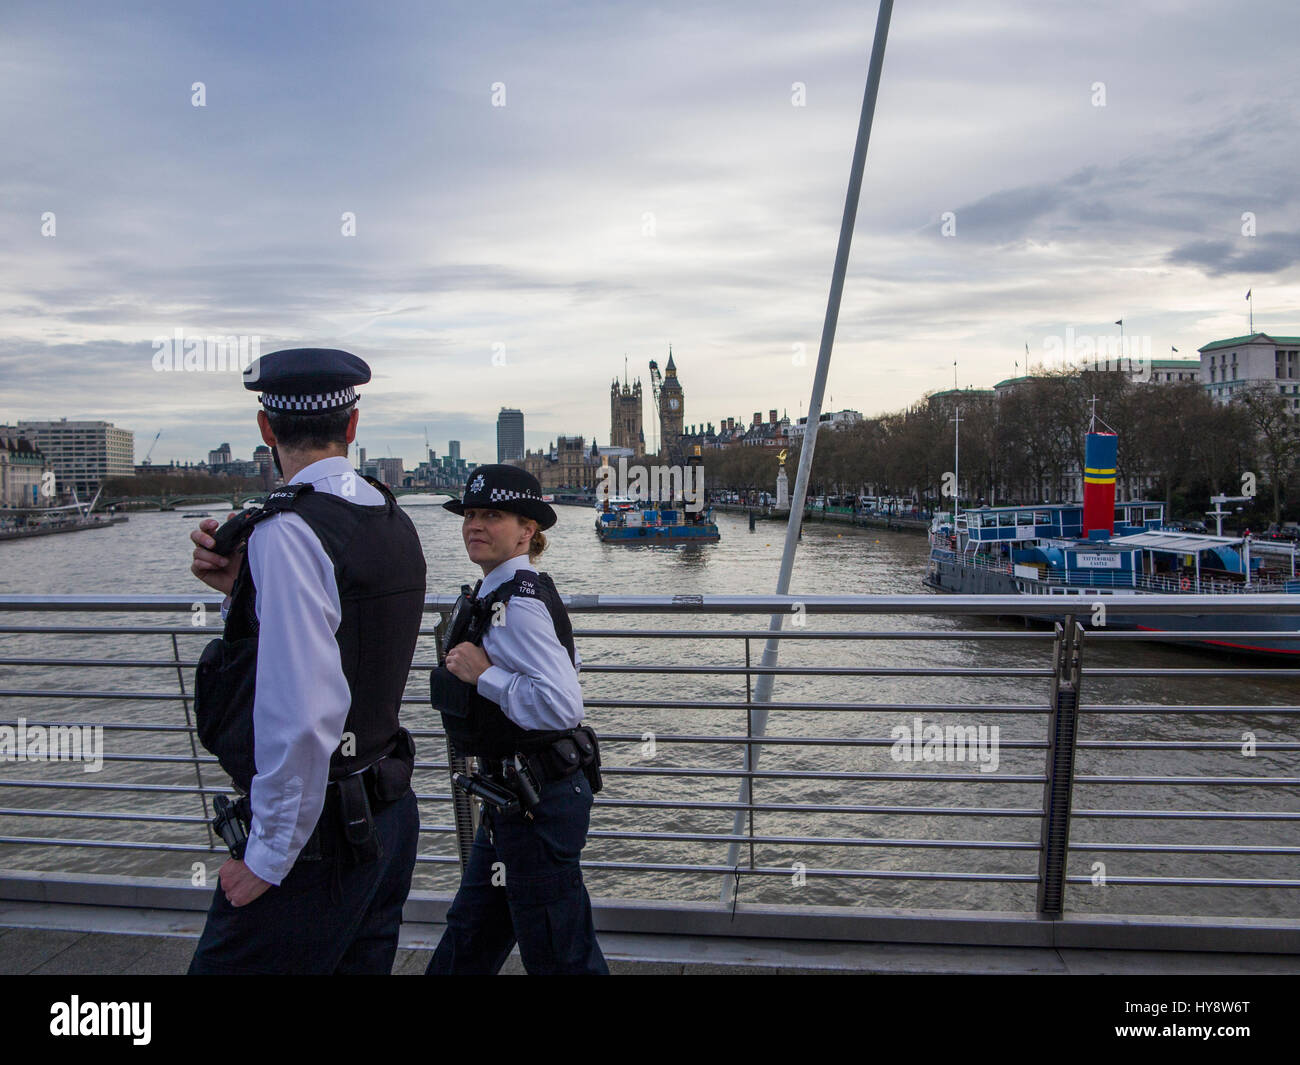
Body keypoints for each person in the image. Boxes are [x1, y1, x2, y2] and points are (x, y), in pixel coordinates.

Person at [186, 347, 427, 974]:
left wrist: (266, 858)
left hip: (319, 846)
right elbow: (351, 629)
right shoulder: (390, 515)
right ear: (352, 425)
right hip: (390, 817)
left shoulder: (286, 530)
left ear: (266, 430)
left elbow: (303, 713)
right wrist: (248, 589)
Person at [427, 464, 607, 975]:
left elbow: (561, 704)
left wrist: (486, 676)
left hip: (539, 803)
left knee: (559, 954)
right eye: (471, 514)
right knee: (471, 937)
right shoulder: (505, 591)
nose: (474, 525)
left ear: (528, 531)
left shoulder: (517, 601)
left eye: (493, 516)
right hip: (515, 796)